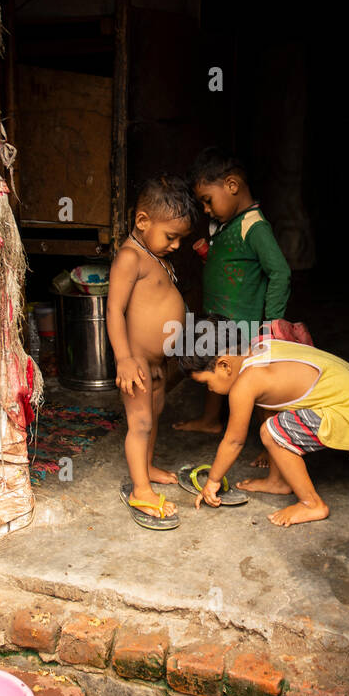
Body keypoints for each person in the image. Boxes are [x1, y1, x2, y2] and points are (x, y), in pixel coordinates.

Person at [180, 332, 349, 527]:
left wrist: (213, 481)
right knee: (272, 425)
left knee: (272, 433)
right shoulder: (257, 351)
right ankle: (277, 482)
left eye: (206, 382)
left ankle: (311, 504)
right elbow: (271, 405)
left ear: (224, 365)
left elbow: (234, 441)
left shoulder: (246, 384)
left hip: (347, 414)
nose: (210, 389)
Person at [173, 148, 291, 436]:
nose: (206, 209)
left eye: (208, 200)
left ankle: (271, 440)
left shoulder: (254, 226)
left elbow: (280, 272)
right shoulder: (225, 226)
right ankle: (211, 420)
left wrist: (271, 324)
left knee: (259, 382)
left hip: (247, 326)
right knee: (215, 371)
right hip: (220, 321)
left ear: (232, 185)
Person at [107, 175, 195, 529]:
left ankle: (146, 467)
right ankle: (140, 490)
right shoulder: (131, 257)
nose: (175, 245)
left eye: (180, 239)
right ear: (143, 222)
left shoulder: (155, 255)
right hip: (137, 361)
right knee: (140, 423)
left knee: (154, 416)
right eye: (170, 236)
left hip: (156, 362)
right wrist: (125, 359)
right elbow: (114, 310)